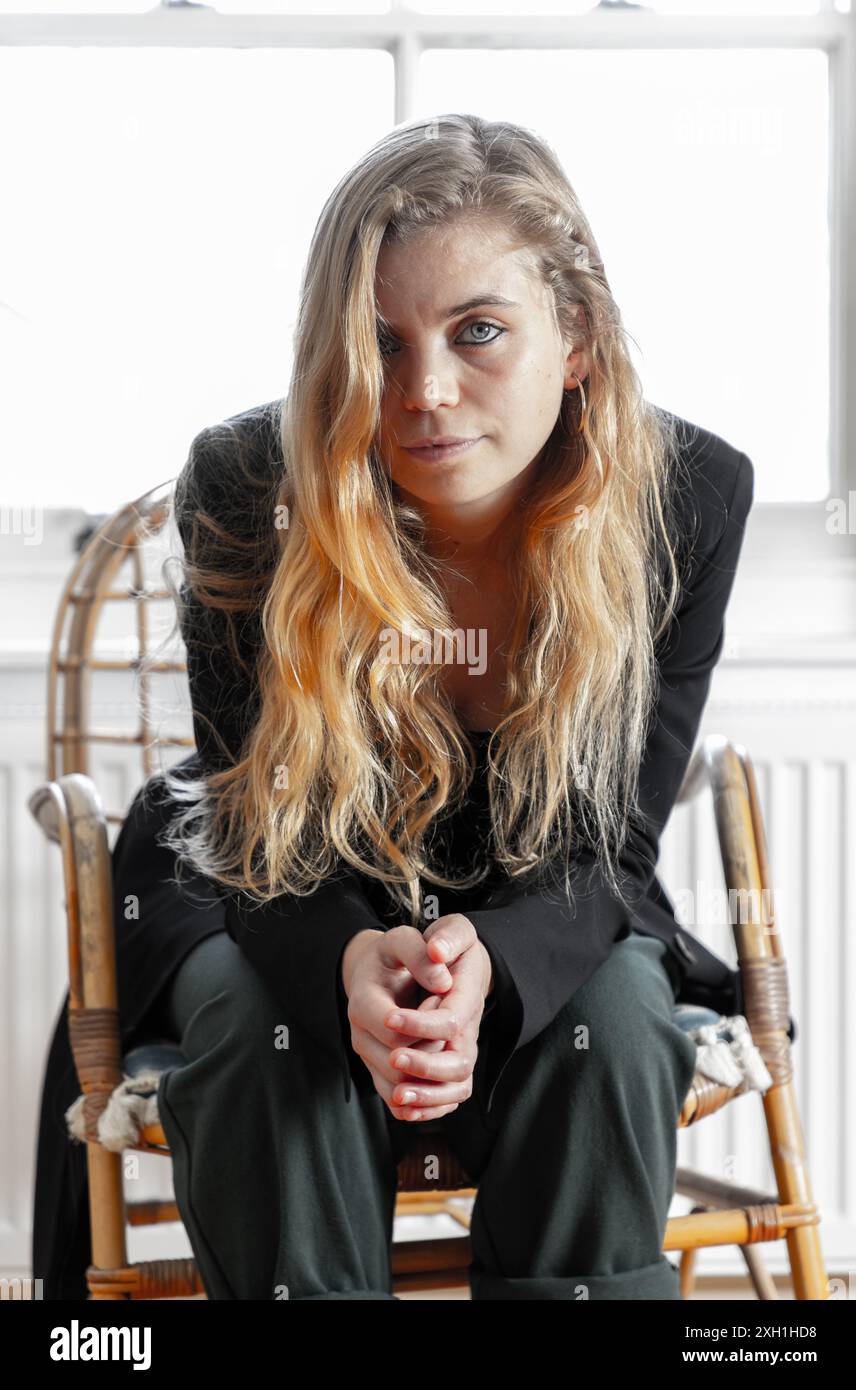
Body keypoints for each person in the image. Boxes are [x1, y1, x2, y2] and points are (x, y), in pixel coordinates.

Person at [32, 112, 754, 1301]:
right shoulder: (245, 485)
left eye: (479, 331)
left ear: (575, 335)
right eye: (378, 344)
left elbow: (611, 843)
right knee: (266, 1039)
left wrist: (492, 961)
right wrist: (346, 963)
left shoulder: (689, 500)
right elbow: (249, 826)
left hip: (545, 887)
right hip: (273, 880)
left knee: (620, 1021)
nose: (423, 392)